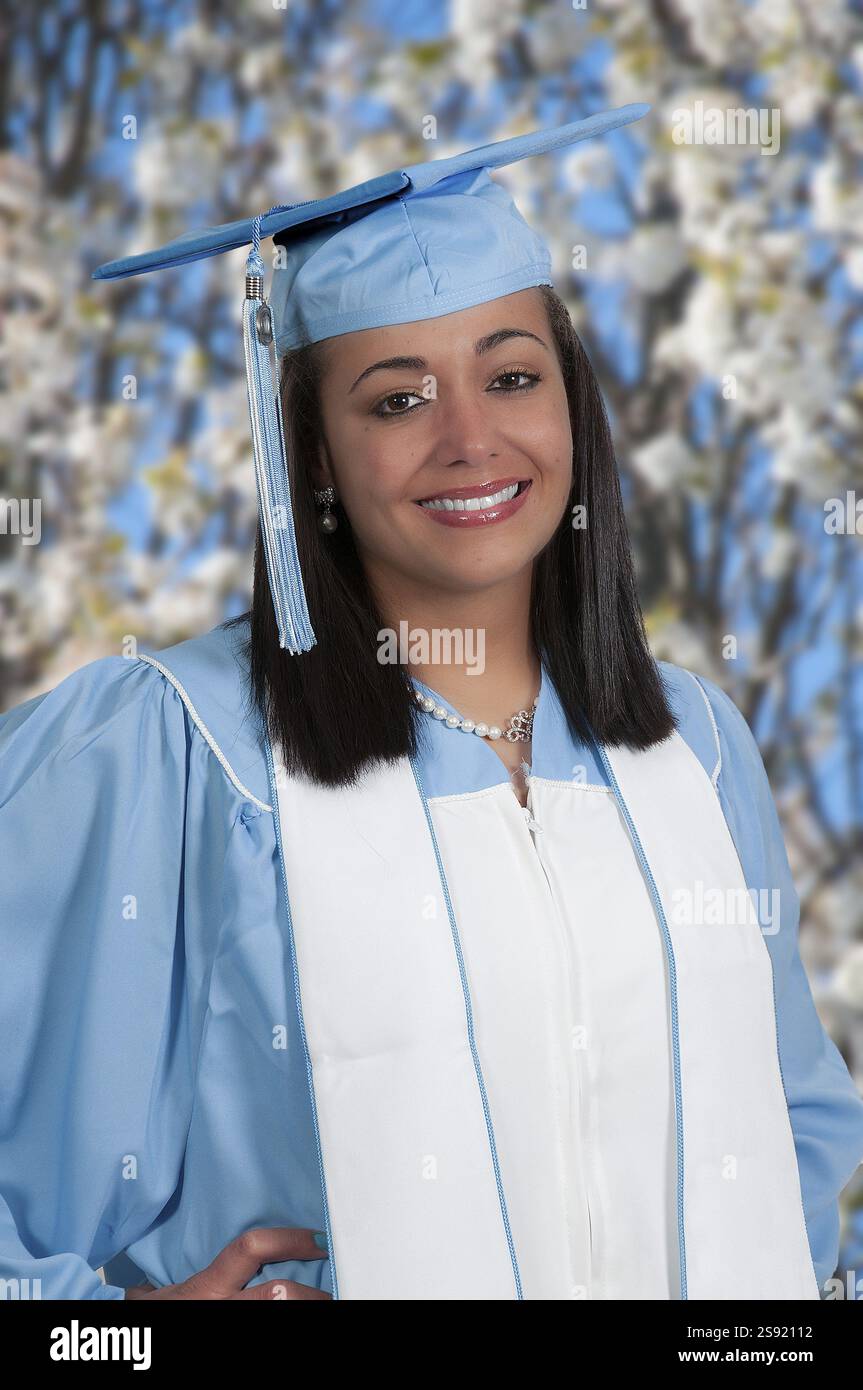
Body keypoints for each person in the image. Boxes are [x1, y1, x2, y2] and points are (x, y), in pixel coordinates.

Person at [2, 105, 862, 1302]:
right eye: (396, 400)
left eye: (511, 376)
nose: (470, 438)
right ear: (309, 452)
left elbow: (795, 1160)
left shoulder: (692, 746)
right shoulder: (178, 752)